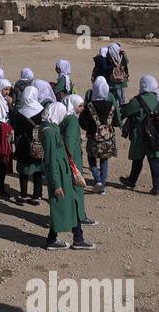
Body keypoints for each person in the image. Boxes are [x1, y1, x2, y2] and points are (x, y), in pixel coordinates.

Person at [41, 102, 96, 250]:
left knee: (70, 204)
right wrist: (57, 184)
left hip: (63, 173)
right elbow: (52, 160)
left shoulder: (51, 128)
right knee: (62, 207)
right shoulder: (50, 132)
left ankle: (77, 237)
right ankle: (56, 239)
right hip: (59, 175)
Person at [119, 75, 159, 195]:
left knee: (137, 159)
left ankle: (132, 181)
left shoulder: (138, 100)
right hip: (156, 133)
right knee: (155, 160)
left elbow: (126, 111)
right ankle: (157, 187)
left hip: (140, 134)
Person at [80, 76, 121, 195]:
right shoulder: (111, 105)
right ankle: (102, 187)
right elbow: (116, 120)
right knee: (104, 160)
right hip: (108, 139)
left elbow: (82, 123)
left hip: (93, 137)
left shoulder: (89, 106)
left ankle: (97, 179)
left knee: (91, 158)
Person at [62, 94, 97, 226]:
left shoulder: (66, 117)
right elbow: (70, 143)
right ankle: (79, 216)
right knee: (78, 188)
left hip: (71, 159)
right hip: (73, 160)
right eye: (80, 106)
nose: (82, 109)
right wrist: (71, 162)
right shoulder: (72, 121)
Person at [12, 85, 45, 205]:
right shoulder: (41, 110)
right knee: (37, 172)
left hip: (24, 146)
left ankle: (23, 195)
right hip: (38, 145)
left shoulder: (21, 113)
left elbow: (18, 132)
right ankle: (36, 196)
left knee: (23, 172)